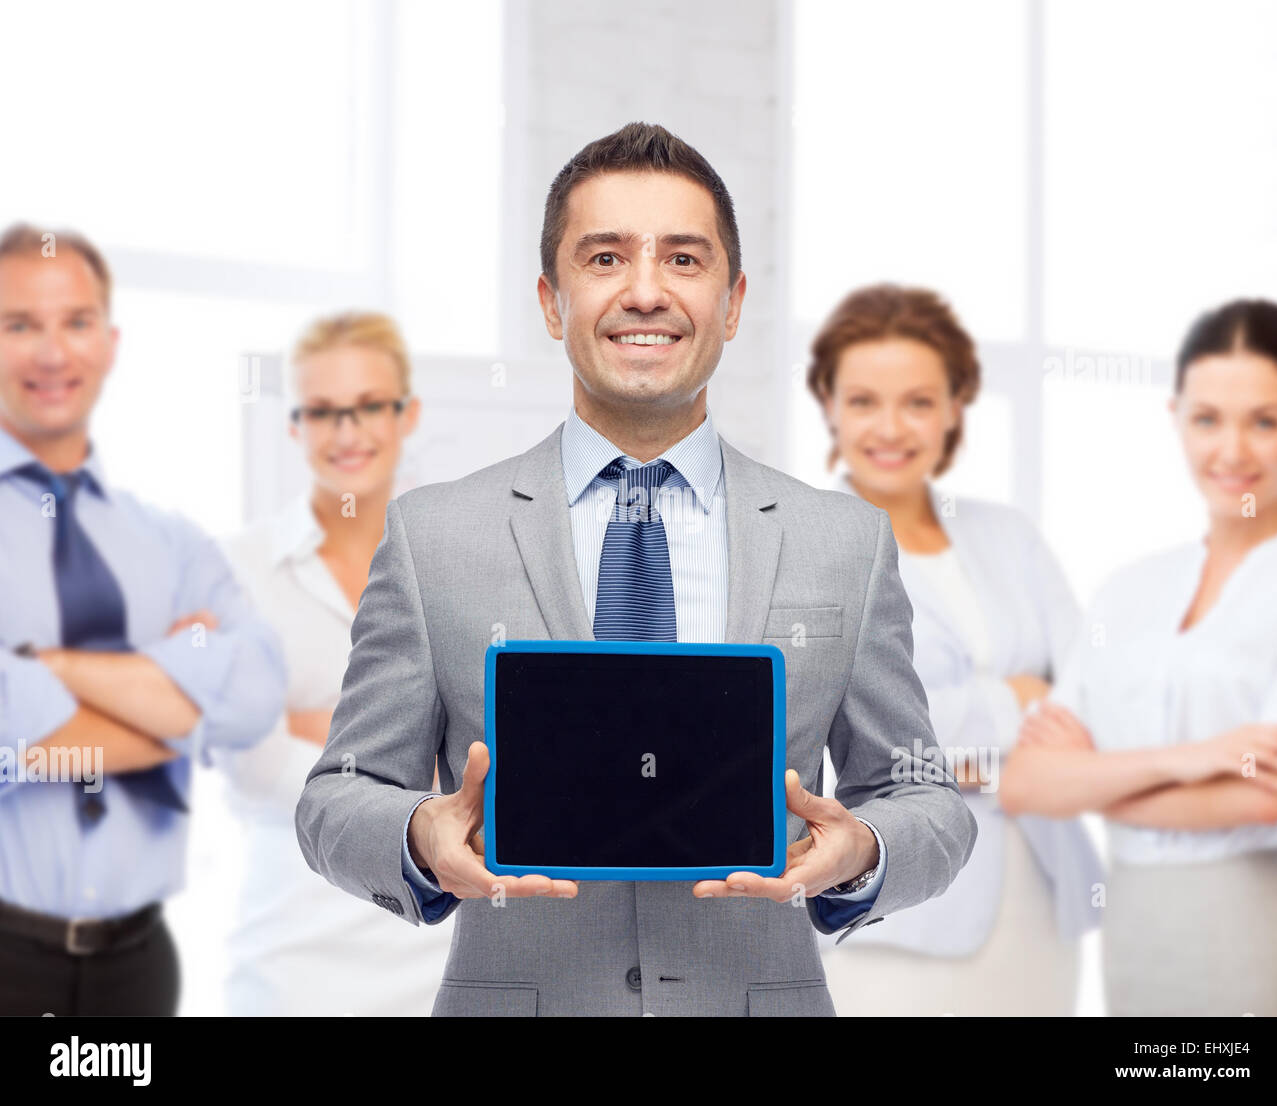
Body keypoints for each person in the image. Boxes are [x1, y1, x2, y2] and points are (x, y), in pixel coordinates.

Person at [295, 122, 977, 1017]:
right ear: (551, 300)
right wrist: (419, 833)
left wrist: (862, 850)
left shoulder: (842, 542)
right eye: (607, 257)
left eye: (684, 261)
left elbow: (922, 793)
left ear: (733, 304)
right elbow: (338, 795)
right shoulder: (434, 537)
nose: (646, 292)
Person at [0, 222, 286, 1016]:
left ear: (110, 341)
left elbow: (258, 695)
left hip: (140, 964)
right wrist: (177, 699)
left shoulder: (171, 541)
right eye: (19, 324)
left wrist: (46, 671)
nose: (52, 353)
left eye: (76, 322)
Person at [805, 284, 1102, 1015]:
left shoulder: (1009, 536)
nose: (891, 427)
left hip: (1040, 899)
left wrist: (965, 748)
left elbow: (1091, 691)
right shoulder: (809, 546)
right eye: (865, 400)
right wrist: (1014, 702)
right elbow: (843, 747)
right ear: (830, 406)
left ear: (954, 409)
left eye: (919, 401)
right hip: (903, 919)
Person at [999, 298, 1277, 1016]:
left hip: (1258, 926)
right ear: (1176, 419)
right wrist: (1191, 760)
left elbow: (1268, 793)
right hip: (1134, 937)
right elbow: (1026, 784)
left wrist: (1093, 780)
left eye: (1264, 420)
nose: (1232, 451)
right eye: (1207, 419)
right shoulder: (1129, 591)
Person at [214, 311, 452, 1015]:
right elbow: (248, 760)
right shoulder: (237, 569)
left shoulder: (462, 558)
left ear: (406, 414)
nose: (347, 434)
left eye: (369, 407)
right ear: (294, 425)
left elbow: (501, 747)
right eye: (322, 412)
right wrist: (411, 738)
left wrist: (304, 722)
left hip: (438, 940)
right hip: (293, 957)